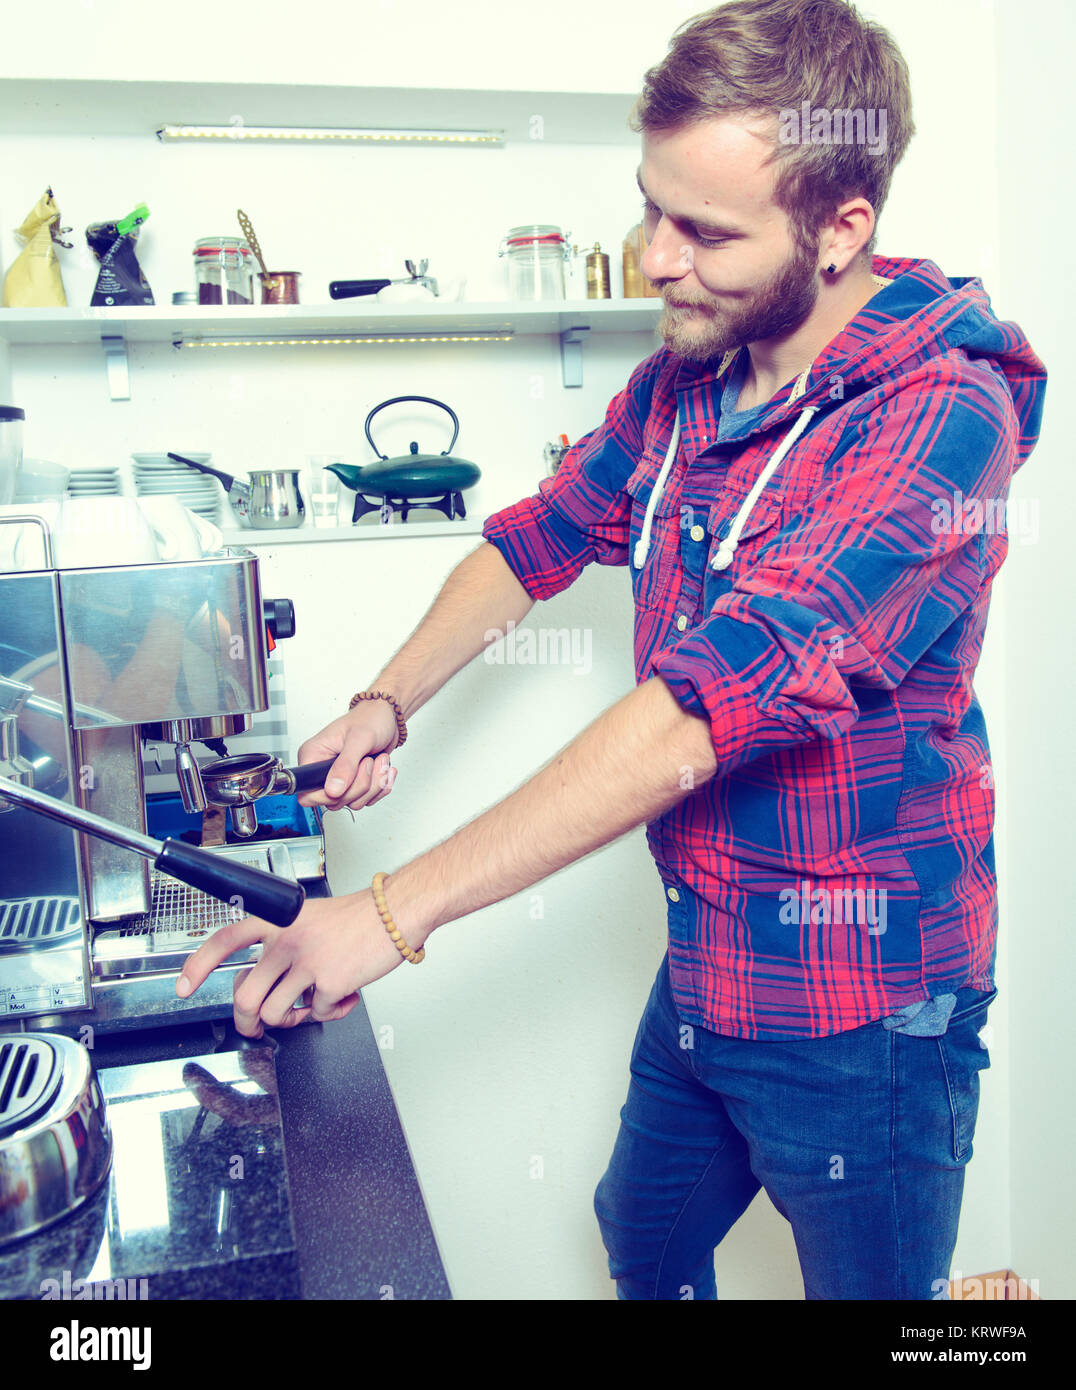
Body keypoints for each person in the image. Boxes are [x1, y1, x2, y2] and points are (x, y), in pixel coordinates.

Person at [178, 0, 1046, 1300]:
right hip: (708, 953)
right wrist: (384, 698)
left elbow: (705, 708)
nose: (656, 258)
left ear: (841, 228)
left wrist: (387, 917)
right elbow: (537, 539)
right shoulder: (691, 379)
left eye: (704, 231)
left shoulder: (940, 420)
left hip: (864, 1007)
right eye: (650, 207)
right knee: (640, 1234)